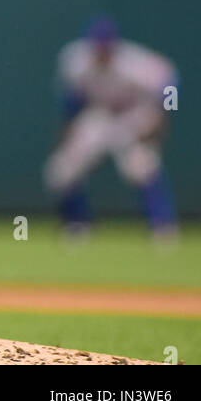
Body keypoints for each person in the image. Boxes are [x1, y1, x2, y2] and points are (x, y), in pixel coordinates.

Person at [44, 16, 179, 242]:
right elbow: (72, 101)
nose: (101, 51)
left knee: (140, 167)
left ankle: (162, 228)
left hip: (132, 115)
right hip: (98, 116)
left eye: (105, 46)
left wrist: (161, 118)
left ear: (115, 45)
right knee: (60, 170)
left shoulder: (133, 62)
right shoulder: (75, 60)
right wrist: (68, 129)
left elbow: (170, 84)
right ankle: (77, 226)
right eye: (97, 45)